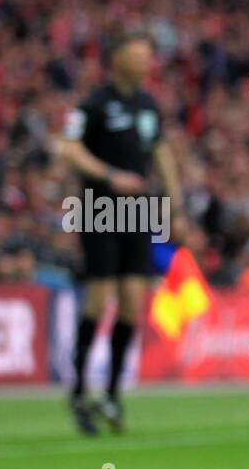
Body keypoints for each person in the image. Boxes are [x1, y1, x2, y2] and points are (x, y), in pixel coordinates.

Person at [58, 30, 185, 434]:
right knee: (100, 297)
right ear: (116, 59)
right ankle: (79, 391)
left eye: (148, 54)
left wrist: (175, 203)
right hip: (100, 209)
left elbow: (160, 150)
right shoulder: (94, 104)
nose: (147, 61)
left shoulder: (148, 105)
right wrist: (110, 175)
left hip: (139, 211)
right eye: (138, 53)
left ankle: (112, 395)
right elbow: (69, 148)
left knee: (133, 301)